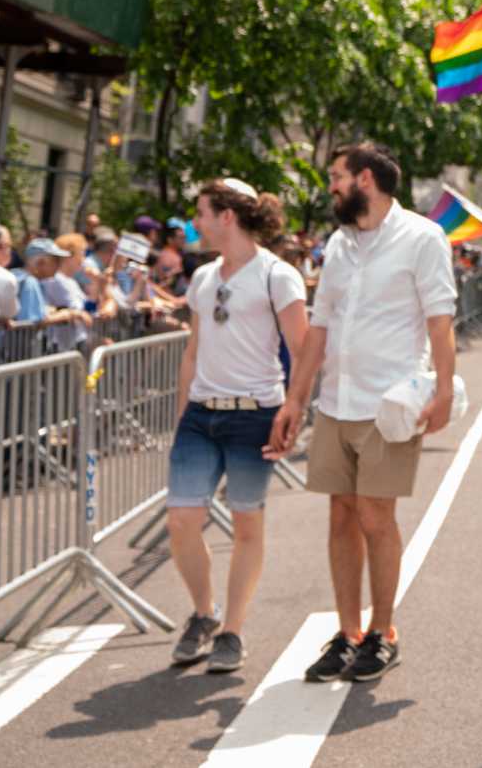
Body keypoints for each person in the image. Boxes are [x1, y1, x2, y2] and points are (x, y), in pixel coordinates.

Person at [265, 142, 458, 685]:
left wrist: (442, 392)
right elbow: (320, 326)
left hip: (389, 402)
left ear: (365, 180)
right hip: (336, 401)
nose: (330, 187)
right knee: (340, 517)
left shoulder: (423, 237)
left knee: (376, 516)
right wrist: (295, 399)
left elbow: (441, 320)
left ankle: (383, 630)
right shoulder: (340, 243)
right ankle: (347, 633)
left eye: (336, 177)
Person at [166, 179, 310, 672]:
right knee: (182, 520)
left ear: (227, 216)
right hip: (201, 416)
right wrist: (183, 412)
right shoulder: (204, 277)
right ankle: (204, 614)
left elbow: (304, 347)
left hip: (255, 415)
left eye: (201, 212)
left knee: (247, 523)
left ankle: (233, 631)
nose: (195, 222)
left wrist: (295, 408)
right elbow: (192, 351)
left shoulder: (278, 276)